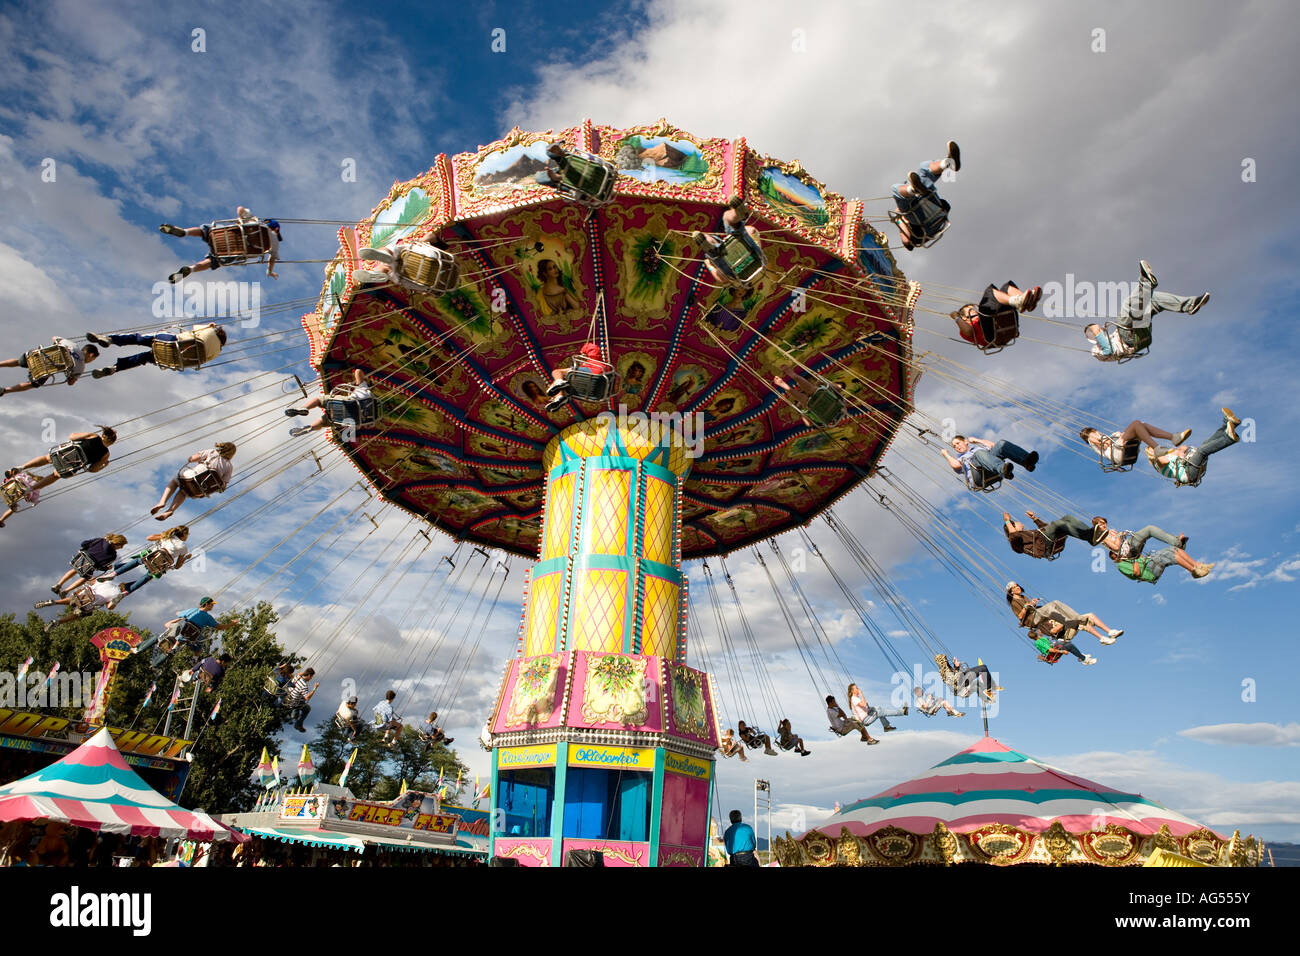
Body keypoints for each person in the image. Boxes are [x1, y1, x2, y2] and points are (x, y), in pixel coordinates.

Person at [1084, 260, 1209, 362]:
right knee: (1128, 305)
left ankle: (1190, 304)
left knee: (1152, 301)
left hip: (1140, 337)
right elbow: (1108, 350)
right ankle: (1145, 283)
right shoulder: (1097, 350)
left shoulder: (1109, 339)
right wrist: (1094, 330)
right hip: (1129, 338)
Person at [160, 206, 281, 283]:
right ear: (276, 229)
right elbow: (272, 259)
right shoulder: (274, 242)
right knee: (213, 261)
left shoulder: (256, 222)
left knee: (205, 230)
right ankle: (191, 269)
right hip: (234, 253)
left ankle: (185, 232)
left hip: (223, 237)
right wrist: (270, 272)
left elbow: (240, 209)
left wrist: (240, 218)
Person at [1092, 518, 1214, 582]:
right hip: (1128, 552)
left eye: (1105, 523)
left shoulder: (1110, 531)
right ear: (1097, 525)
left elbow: (1121, 541)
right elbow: (1117, 547)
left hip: (1130, 545)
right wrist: (1118, 537)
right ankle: (1194, 569)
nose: (1105, 526)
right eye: (1102, 524)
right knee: (1168, 553)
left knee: (1150, 529)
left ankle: (1182, 548)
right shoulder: (1102, 537)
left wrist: (1120, 535)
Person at [87, 323, 227, 379]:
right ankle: (115, 368)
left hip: (172, 343)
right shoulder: (217, 353)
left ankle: (110, 339)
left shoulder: (209, 330)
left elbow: (195, 328)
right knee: (143, 358)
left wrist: (209, 326)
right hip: (175, 360)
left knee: (139, 338)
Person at [890, 142, 960, 250]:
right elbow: (907, 242)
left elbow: (906, 241)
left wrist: (899, 219)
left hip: (929, 212)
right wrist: (900, 219)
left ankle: (946, 163)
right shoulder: (917, 238)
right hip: (926, 217)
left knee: (922, 172)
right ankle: (913, 188)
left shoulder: (918, 238)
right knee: (897, 188)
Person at [1147, 408, 1242, 486]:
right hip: (1189, 474)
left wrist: (1178, 451)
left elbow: (1184, 447)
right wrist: (1157, 455)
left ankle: (1229, 424)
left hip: (1190, 466)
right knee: (1202, 451)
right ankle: (1229, 438)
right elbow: (1162, 462)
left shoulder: (1169, 454)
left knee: (1205, 444)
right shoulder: (1158, 465)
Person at [1004, 581, 1123, 644]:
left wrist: (1032, 604)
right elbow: (1020, 617)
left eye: (1017, 586)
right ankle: (1073, 620)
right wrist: (1026, 607)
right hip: (1033, 620)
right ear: (1010, 591)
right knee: (1051, 607)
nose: (1017, 588)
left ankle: (1109, 632)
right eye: (1014, 588)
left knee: (1087, 614)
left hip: (1039, 614)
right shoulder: (1015, 602)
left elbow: (1031, 607)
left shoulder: (1024, 597)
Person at [692, 195, 764, 290]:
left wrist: (709, 265)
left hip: (749, 258)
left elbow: (751, 230)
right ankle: (708, 243)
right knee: (716, 251)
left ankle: (737, 216)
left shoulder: (736, 281)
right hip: (743, 264)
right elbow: (721, 279)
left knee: (734, 232)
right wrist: (709, 265)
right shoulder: (737, 282)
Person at [151, 442, 236, 519]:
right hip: (201, 490)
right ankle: (170, 510)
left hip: (191, 478)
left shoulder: (212, 452)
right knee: (184, 491)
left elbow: (192, 459)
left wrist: (193, 459)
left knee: (175, 481)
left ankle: (162, 502)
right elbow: (223, 486)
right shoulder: (229, 466)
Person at [948, 280, 1041, 347]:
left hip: (1000, 320)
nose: (975, 311)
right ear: (964, 318)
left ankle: (1025, 302)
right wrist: (956, 317)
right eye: (971, 310)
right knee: (989, 291)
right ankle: (1019, 302)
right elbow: (968, 331)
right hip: (990, 335)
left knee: (1006, 286)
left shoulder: (980, 316)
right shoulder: (966, 328)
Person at [286, 368, 373, 435]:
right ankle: (311, 428)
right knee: (323, 422)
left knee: (319, 400)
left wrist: (363, 378)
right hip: (352, 418)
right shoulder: (370, 397)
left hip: (348, 404)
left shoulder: (363, 387)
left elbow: (358, 371)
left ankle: (304, 408)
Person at [108, 526, 192, 595]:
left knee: (138, 561)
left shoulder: (167, 537)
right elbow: (177, 566)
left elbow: (149, 538)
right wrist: (185, 558)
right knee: (147, 577)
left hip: (150, 557)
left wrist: (163, 535)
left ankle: (114, 572)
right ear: (184, 535)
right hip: (159, 566)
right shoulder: (184, 547)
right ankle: (126, 592)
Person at [0, 336, 98, 395]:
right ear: (91, 355)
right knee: (33, 384)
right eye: (92, 359)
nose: (90, 361)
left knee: (18, 362)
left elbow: (54, 337)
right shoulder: (81, 366)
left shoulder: (72, 344)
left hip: (36, 356)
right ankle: (5, 390)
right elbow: (70, 383)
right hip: (42, 370)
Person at [941, 434, 1039, 489]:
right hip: (979, 477)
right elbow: (956, 467)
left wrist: (976, 440)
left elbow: (993, 446)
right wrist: (946, 455)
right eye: (954, 446)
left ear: (965, 442)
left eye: (958, 443)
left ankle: (1026, 461)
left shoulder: (977, 448)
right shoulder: (960, 458)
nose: (957, 447)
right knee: (979, 453)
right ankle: (1003, 470)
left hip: (990, 466)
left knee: (1001, 443)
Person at [17, 427, 116, 479]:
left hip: (62, 454)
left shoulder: (93, 436)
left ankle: (22, 467)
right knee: (55, 475)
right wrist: (104, 466)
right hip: (70, 468)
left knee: (47, 458)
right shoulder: (106, 454)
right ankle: (32, 489)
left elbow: (72, 436)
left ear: (103, 435)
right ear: (111, 443)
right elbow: (92, 469)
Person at [1080, 419, 1189, 466]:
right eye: (1094, 432)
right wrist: (1094, 436)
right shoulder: (1092, 441)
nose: (1097, 432)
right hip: (1117, 453)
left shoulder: (1103, 436)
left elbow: (1109, 440)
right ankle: (1157, 448)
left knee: (1142, 425)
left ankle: (1173, 437)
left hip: (1121, 448)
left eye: (1095, 431)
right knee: (1136, 423)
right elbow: (1100, 442)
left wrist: (1118, 435)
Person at [34, 579, 129, 632]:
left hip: (84, 595)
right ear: (124, 590)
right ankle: (57, 622)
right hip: (89, 605)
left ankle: (55, 602)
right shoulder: (118, 595)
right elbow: (109, 607)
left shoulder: (108, 582)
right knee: (77, 615)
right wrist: (117, 600)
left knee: (72, 599)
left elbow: (91, 581)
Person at [51, 534, 128, 594]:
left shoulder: (100, 540)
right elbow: (100, 566)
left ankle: (59, 584)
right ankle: (66, 591)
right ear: (117, 544)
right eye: (121, 546)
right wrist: (107, 568)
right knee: (85, 578)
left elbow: (84, 543)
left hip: (81, 559)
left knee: (75, 570)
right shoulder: (112, 555)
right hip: (89, 566)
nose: (121, 548)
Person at [1001, 510, 1095, 558]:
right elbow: (1014, 536)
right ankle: (1089, 536)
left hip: (1046, 539)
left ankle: (1089, 533)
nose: (1019, 522)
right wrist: (1007, 521)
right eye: (1016, 522)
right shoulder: (1016, 541)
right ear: (1013, 527)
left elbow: (1046, 527)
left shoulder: (1028, 534)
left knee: (1067, 518)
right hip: (1044, 546)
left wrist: (1034, 518)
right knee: (1059, 524)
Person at [545, 343, 606, 412]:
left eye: (583, 354)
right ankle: (560, 392)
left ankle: (559, 386)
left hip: (591, 375)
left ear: (588, 353)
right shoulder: (602, 364)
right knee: (564, 382)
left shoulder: (591, 363)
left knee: (557, 372)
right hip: (596, 389)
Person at [1031, 627, 1097, 666]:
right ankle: (1085, 660)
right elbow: (1050, 650)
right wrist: (1062, 651)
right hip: (1053, 654)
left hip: (1055, 647)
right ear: (1037, 634)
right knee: (1069, 646)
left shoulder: (1040, 639)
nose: (1040, 631)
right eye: (1038, 631)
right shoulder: (1039, 642)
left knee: (1065, 640)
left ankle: (1080, 656)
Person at [284, 667, 319, 732]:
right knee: (307, 708)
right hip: (294, 702)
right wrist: (315, 688)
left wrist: (304, 673)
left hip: (288, 697)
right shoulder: (304, 686)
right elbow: (307, 697)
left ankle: (294, 715)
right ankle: (297, 723)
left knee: (300, 697)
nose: (311, 679)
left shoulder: (297, 677)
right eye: (311, 677)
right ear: (309, 675)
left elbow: (300, 674)